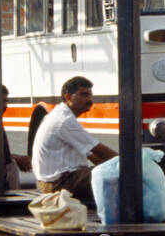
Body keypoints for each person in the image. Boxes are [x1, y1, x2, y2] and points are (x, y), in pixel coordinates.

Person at [31, 75, 116, 208]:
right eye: (83, 95)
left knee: (110, 172)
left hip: (58, 181)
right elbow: (100, 150)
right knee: (114, 176)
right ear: (68, 97)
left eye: (90, 95)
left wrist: (111, 165)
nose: (89, 99)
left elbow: (91, 155)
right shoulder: (64, 120)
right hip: (58, 184)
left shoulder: (62, 115)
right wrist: (129, 166)